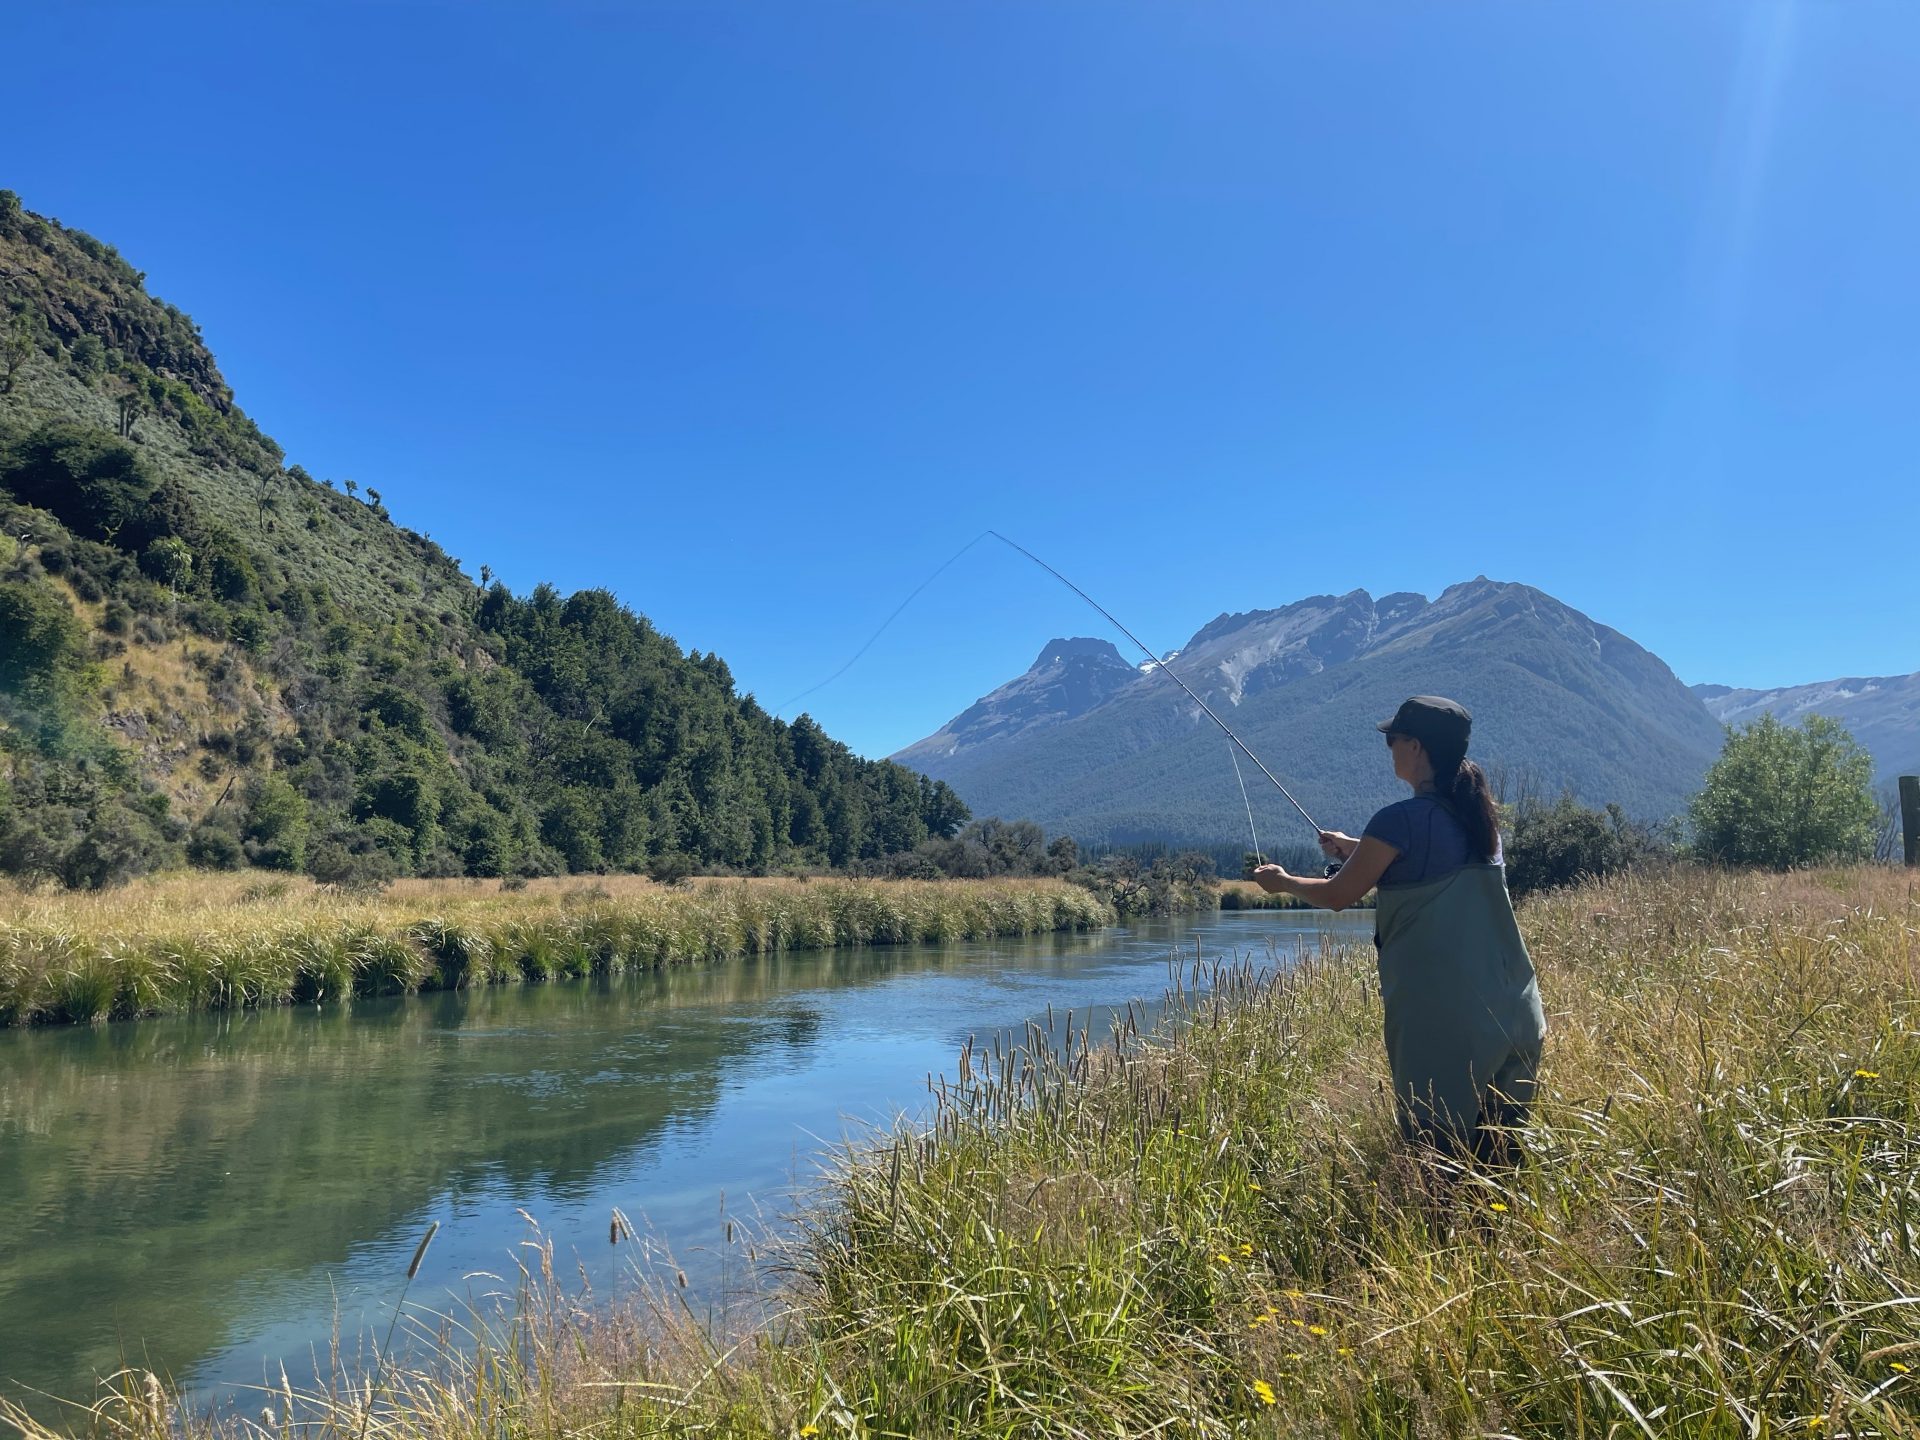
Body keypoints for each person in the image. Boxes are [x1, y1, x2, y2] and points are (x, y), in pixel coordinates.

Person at [1252, 695, 1546, 1166]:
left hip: (1449, 1028)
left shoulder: (1399, 821)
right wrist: (1357, 846)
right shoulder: (1481, 822)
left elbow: (1336, 897)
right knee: (1499, 1169)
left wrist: (1281, 882)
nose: (1389, 749)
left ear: (1415, 747)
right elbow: (1426, 859)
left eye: (1393, 739)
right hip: (1518, 1012)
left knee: (1438, 1172)